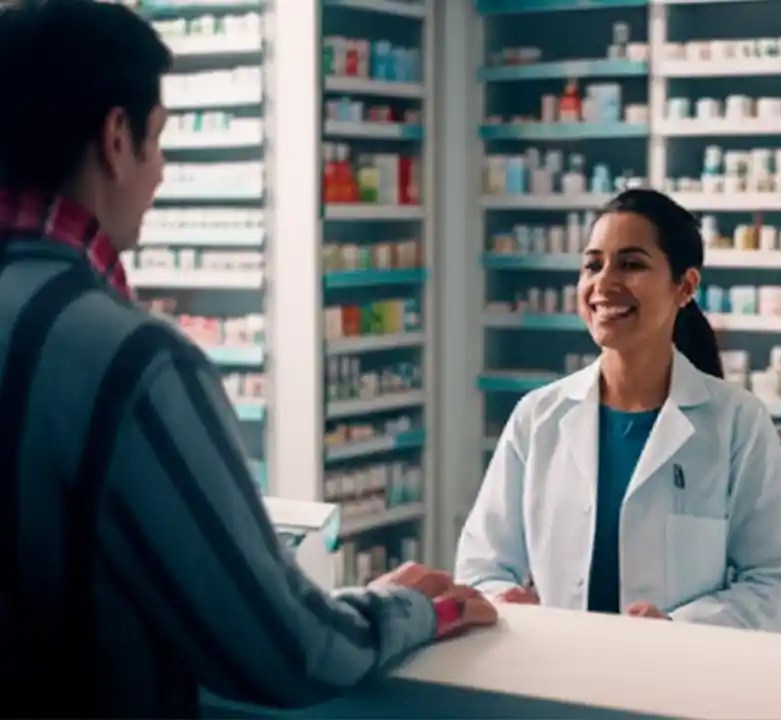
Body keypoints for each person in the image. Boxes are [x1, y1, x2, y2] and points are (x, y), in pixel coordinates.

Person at [0, 2, 495, 717]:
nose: (162, 172)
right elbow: (287, 651)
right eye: (159, 140)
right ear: (117, 138)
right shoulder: (130, 360)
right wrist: (411, 609)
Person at [455, 188, 781, 631]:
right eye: (592, 264)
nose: (604, 284)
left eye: (631, 264)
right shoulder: (538, 417)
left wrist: (679, 628)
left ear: (685, 286)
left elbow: (776, 581)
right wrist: (503, 601)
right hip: (550, 672)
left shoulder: (736, 422)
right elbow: (481, 565)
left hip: (676, 681)